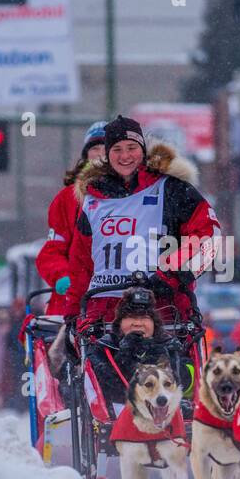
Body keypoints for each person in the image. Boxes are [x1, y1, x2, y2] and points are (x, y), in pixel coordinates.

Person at [66, 115, 220, 324]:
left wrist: (171, 275)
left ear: (143, 150)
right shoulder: (93, 198)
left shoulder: (172, 189)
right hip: (103, 313)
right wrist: (73, 314)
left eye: (132, 147)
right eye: (117, 149)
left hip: (163, 308)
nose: (125, 156)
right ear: (107, 154)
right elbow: (81, 264)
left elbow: (209, 237)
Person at [38, 121, 107, 317]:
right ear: (85, 156)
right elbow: (52, 251)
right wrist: (64, 276)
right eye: (95, 148)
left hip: (121, 296)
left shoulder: (136, 194)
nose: (101, 153)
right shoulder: (67, 199)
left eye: (107, 147)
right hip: (77, 298)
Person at [87, 286, 189, 405]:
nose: (138, 323)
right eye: (131, 317)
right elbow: (109, 389)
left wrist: (159, 355)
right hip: (116, 412)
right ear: (119, 323)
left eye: (144, 318)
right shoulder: (103, 348)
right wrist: (124, 354)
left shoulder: (170, 346)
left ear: (154, 324)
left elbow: (180, 383)